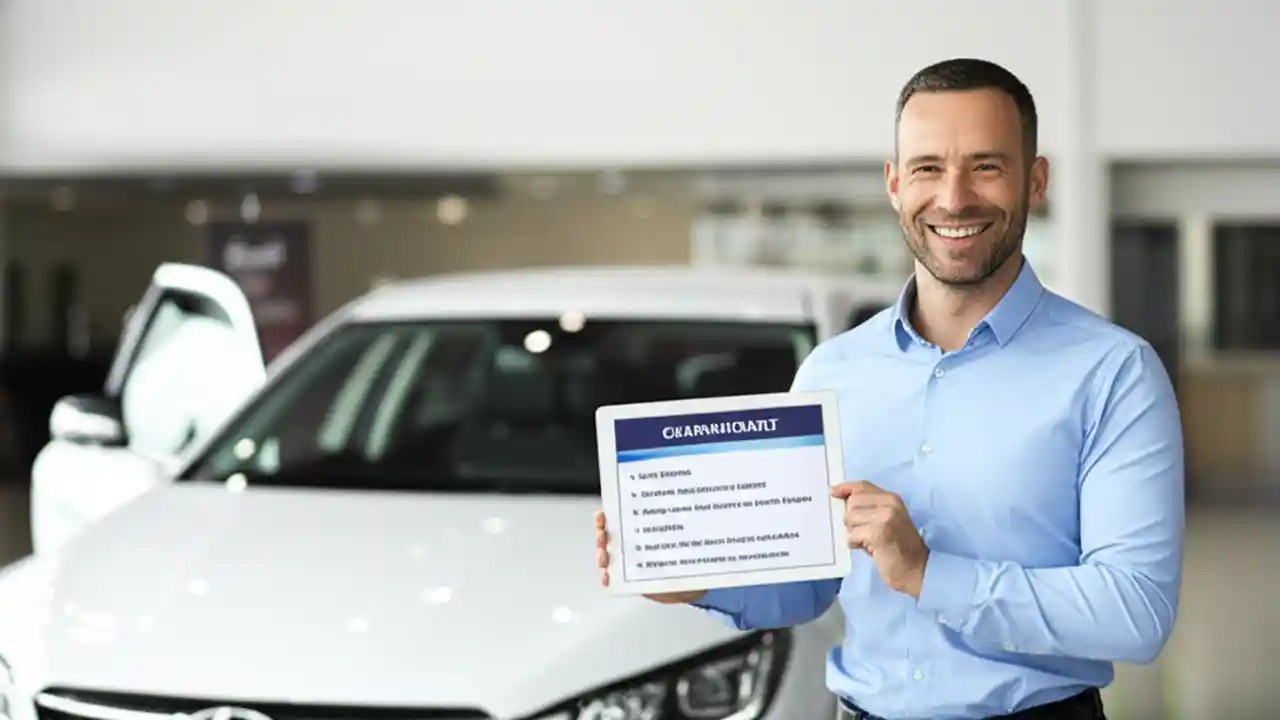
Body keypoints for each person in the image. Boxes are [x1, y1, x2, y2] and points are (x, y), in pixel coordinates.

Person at [593, 57, 1184, 720]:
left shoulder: (1113, 373)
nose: (954, 197)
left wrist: (931, 575)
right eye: (929, 168)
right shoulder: (831, 372)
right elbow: (810, 583)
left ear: (1035, 180)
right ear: (895, 184)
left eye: (986, 165)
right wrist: (693, 577)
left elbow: (1135, 612)